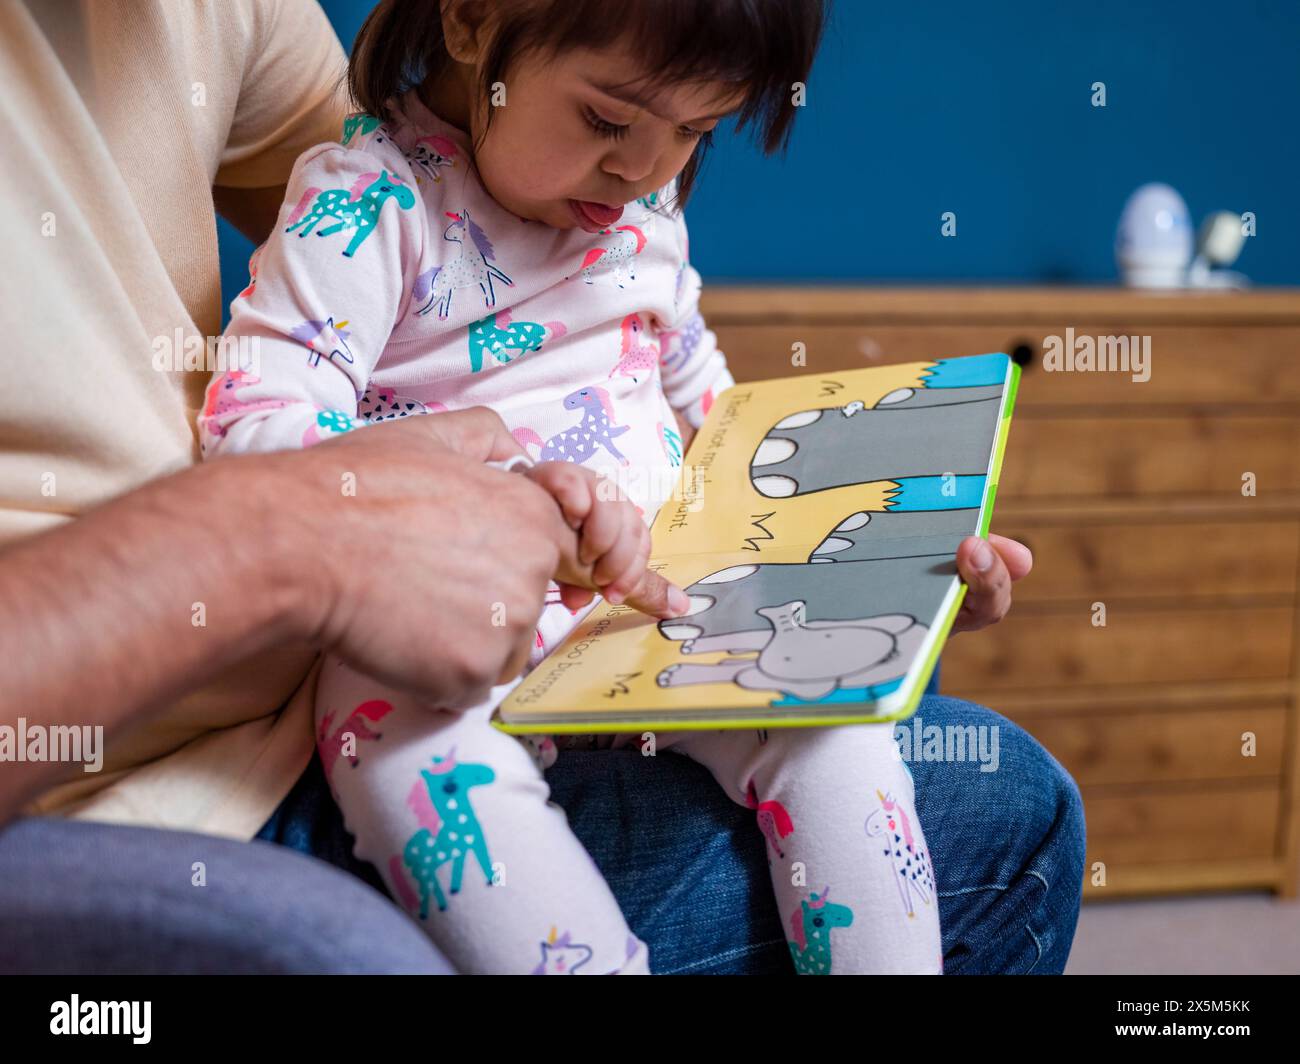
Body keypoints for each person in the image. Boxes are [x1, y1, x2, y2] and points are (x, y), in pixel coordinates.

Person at [0, 0, 1079, 975]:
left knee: (841, 729)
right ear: (471, 21)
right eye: (609, 120)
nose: (641, 172)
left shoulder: (647, 212)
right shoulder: (368, 203)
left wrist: (886, 561)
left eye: (695, 134)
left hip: (654, 606)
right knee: (400, 753)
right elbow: (255, 438)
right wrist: (513, 489)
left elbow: (721, 418)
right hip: (435, 626)